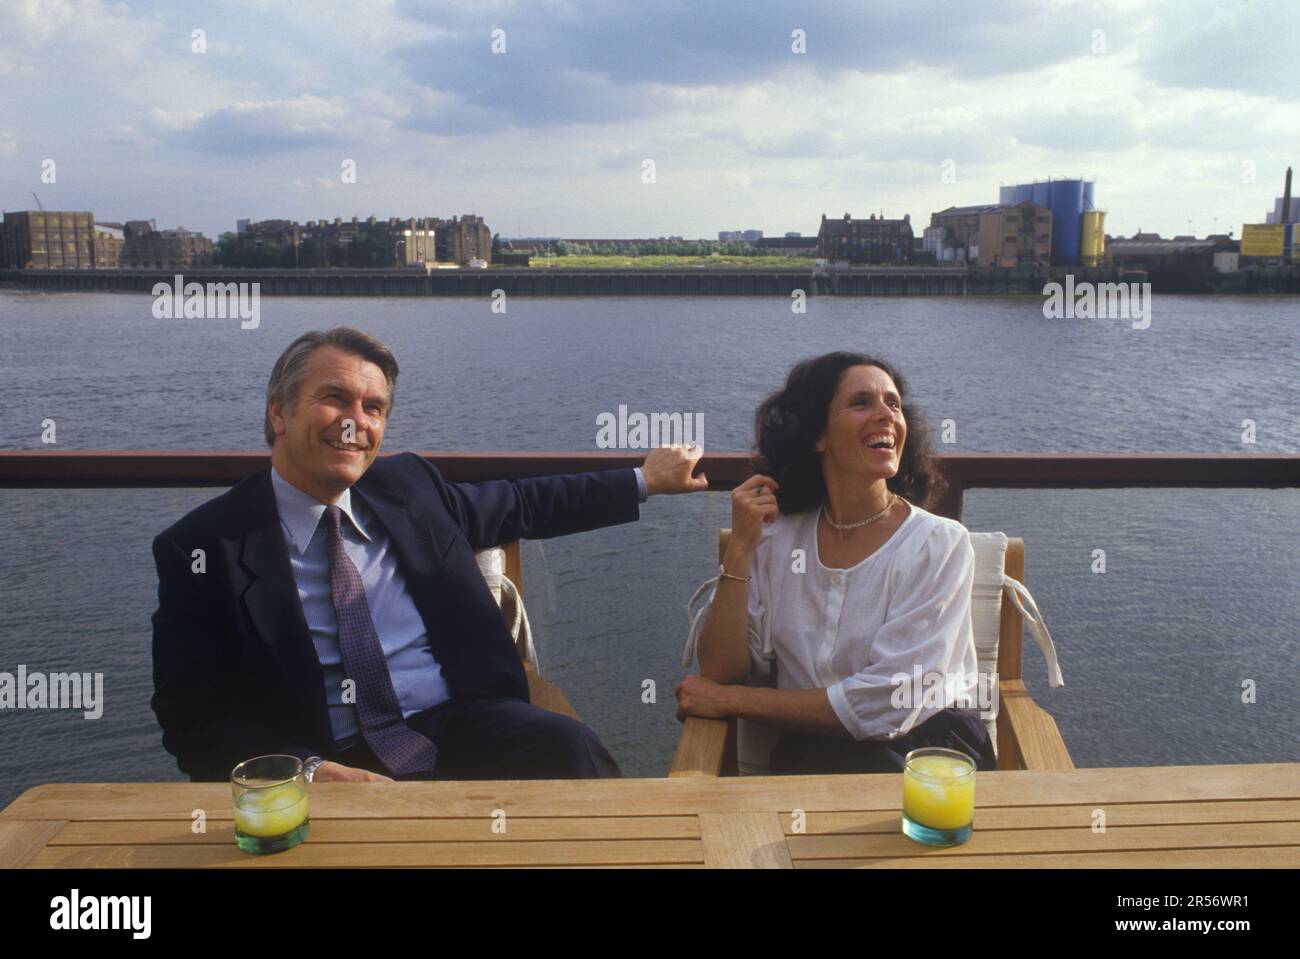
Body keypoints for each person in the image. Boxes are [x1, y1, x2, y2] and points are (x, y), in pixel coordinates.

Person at [151, 326, 707, 783]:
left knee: (568, 746)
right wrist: (308, 772)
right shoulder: (204, 547)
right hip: (327, 758)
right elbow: (190, 719)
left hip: (457, 726)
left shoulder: (410, 488)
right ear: (280, 413)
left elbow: (524, 503)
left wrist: (645, 479)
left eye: (373, 407)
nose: (355, 422)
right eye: (334, 399)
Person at [675, 351, 996, 774]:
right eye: (861, 403)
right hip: (812, 757)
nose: (886, 415)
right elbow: (719, 669)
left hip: (927, 760)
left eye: (894, 404)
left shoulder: (937, 544)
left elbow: (891, 703)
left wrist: (732, 701)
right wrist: (739, 549)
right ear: (817, 435)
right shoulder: (777, 540)